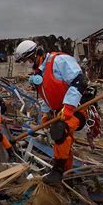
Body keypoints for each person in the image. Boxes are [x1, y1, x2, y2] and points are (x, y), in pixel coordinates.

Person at [14, 40, 87, 184]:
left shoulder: (59, 60)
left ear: (37, 54)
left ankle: (57, 171)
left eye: (27, 60)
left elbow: (80, 81)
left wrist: (69, 106)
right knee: (63, 140)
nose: (27, 63)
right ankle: (68, 174)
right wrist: (46, 114)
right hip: (59, 110)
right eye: (24, 62)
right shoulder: (38, 73)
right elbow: (46, 95)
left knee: (60, 130)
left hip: (77, 107)